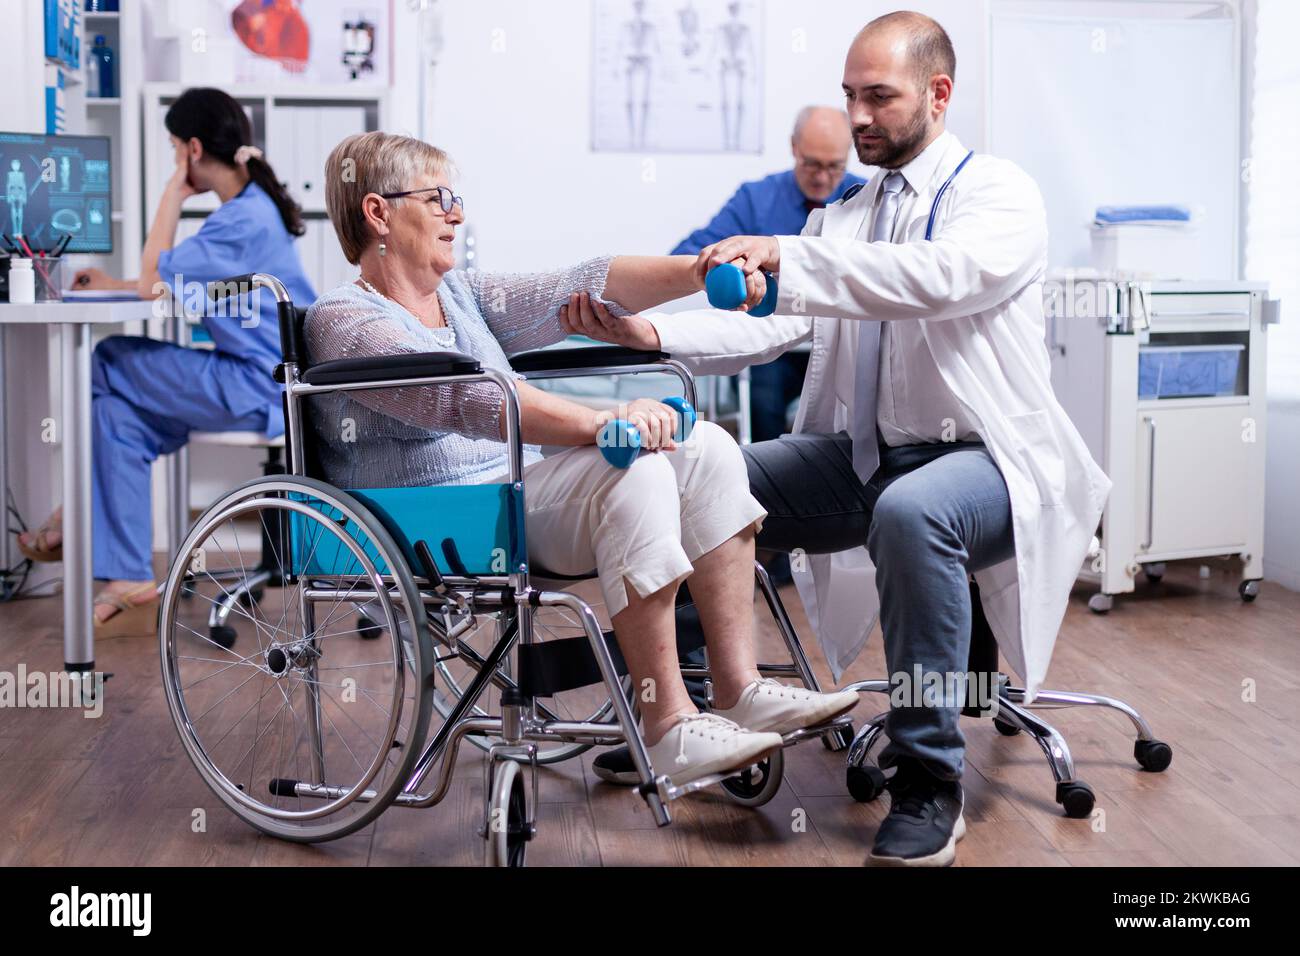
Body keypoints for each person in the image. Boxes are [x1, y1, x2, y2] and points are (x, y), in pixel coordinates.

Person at [561, 11, 1110, 866]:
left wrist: (789, 254)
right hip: (867, 456)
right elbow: (775, 324)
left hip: (987, 464)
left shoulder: (998, 193)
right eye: (850, 96)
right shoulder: (848, 211)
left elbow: (934, 279)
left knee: (909, 512)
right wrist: (655, 336)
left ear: (938, 94)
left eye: (878, 97)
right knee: (706, 478)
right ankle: (684, 715)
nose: (857, 118)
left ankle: (929, 783)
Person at [304, 131, 859, 788]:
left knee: (704, 445)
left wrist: (699, 270)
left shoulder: (462, 297)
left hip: (510, 500)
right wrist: (604, 423)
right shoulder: (344, 321)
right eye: (439, 198)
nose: (457, 212)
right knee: (637, 463)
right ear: (378, 213)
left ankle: (738, 688)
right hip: (427, 522)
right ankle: (670, 724)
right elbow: (468, 400)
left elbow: (581, 283)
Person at [17, 88, 316, 637]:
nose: (175, 158)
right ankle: (128, 574)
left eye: (176, 147)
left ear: (193, 149)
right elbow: (169, 285)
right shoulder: (250, 209)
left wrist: (171, 197)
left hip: (255, 387)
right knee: (116, 421)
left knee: (108, 357)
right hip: (262, 382)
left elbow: (157, 279)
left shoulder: (238, 221)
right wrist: (117, 285)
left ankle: (72, 513)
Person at [671, 106, 866, 444]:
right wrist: (734, 268)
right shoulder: (755, 199)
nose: (822, 178)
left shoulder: (865, 200)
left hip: (840, 345)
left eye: (834, 166)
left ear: (849, 155)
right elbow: (688, 255)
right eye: (812, 164)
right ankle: (769, 481)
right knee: (763, 387)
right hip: (774, 357)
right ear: (793, 148)